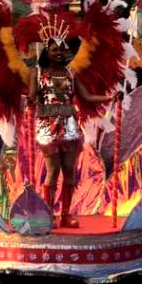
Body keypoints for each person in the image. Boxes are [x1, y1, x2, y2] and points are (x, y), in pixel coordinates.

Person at [27, 35, 113, 228]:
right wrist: (29, 100)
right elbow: (31, 96)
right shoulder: (37, 73)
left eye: (61, 50)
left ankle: (66, 215)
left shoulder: (71, 74)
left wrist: (110, 98)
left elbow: (87, 97)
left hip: (69, 125)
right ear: (46, 52)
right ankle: (48, 215)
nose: (59, 53)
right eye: (54, 49)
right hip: (47, 124)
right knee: (53, 170)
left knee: (69, 170)